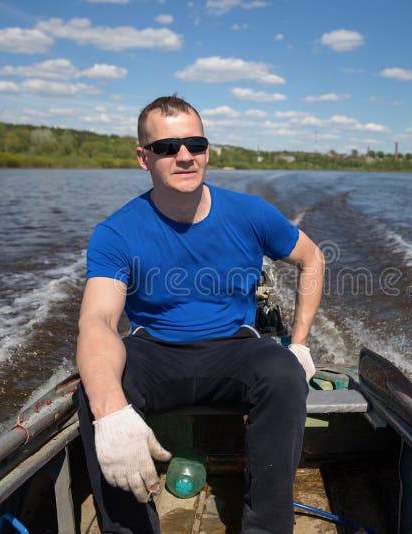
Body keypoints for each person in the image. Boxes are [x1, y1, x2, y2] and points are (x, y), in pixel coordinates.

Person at [74, 95, 325, 533]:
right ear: (143, 157)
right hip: (156, 351)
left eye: (195, 144)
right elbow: (97, 321)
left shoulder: (249, 214)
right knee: (95, 391)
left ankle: (266, 527)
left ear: (208, 150)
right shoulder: (116, 232)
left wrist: (299, 344)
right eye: (168, 148)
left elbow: (312, 259)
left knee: (283, 372)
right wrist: (111, 412)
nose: (185, 156)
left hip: (235, 347)